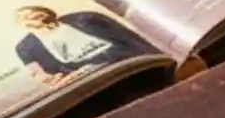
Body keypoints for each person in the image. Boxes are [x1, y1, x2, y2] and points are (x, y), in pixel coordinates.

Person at [13, 6, 155, 86]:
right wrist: (51, 80)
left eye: (34, 12)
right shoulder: (25, 47)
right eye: (24, 17)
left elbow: (130, 38)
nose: (32, 16)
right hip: (89, 79)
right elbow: (38, 73)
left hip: (126, 62)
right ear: (21, 25)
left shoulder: (85, 18)